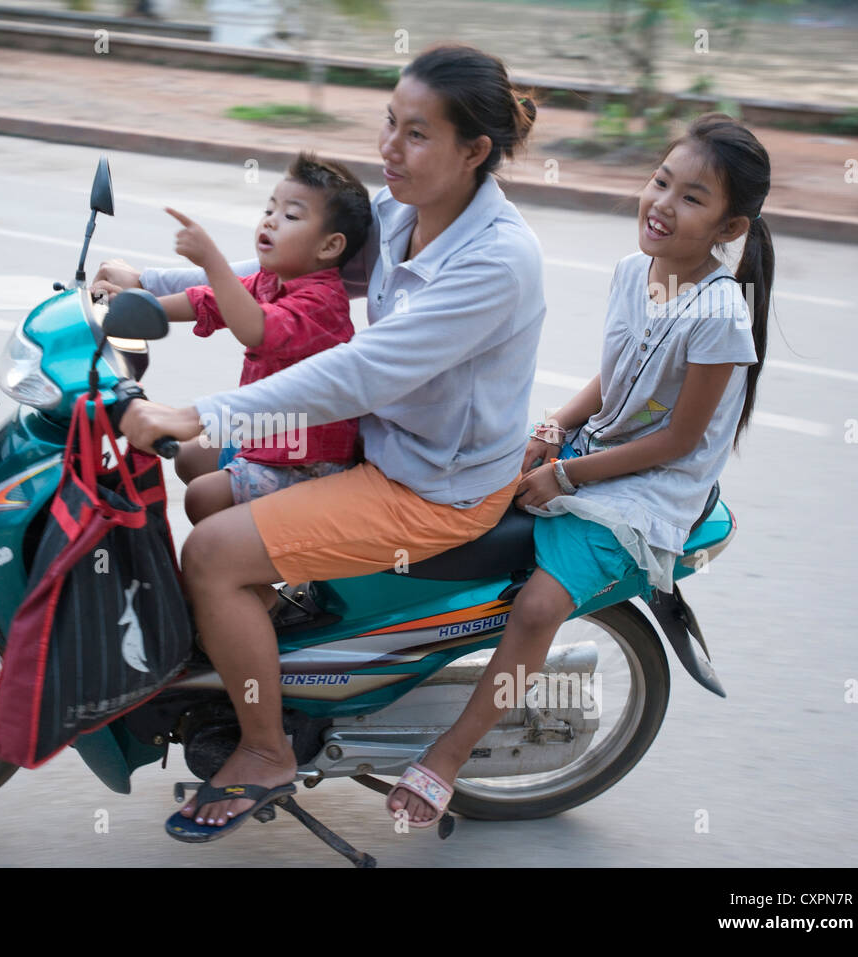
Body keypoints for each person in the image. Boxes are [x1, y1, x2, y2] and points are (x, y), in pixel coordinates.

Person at [101, 43, 545, 837]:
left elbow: (362, 371)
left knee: (210, 553)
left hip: (429, 484)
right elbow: (282, 267)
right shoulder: (403, 211)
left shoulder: (496, 261)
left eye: (416, 134)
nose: (388, 149)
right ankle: (258, 625)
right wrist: (148, 284)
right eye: (388, 123)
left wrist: (200, 410)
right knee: (196, 472)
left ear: (473, 151)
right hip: (382, 442)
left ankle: (266, 750)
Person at [386, 111, 774, 826]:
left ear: (729, 228)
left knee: (539, 607)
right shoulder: (635, 271)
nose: (663, 203)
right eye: (662, 181)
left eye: (693, 197)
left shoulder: (720, 313)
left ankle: (445, 757)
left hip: (649, 490)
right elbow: (616, 372)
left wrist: (566, 476)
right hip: (596, 451)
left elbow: (678, 441)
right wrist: (554, 427)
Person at [95, 151, 371, 531]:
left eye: (291, 216)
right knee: (189, 456)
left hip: (305, 459)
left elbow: (255, 327)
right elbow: (206, 301)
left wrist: (213, 260)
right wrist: (135, 305)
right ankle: (250, 543)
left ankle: (250, 576)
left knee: (202, 496)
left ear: (329, 247)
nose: (272, 221)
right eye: (270, 209)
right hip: (267, 433)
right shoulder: (271, 281)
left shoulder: (321, 303)